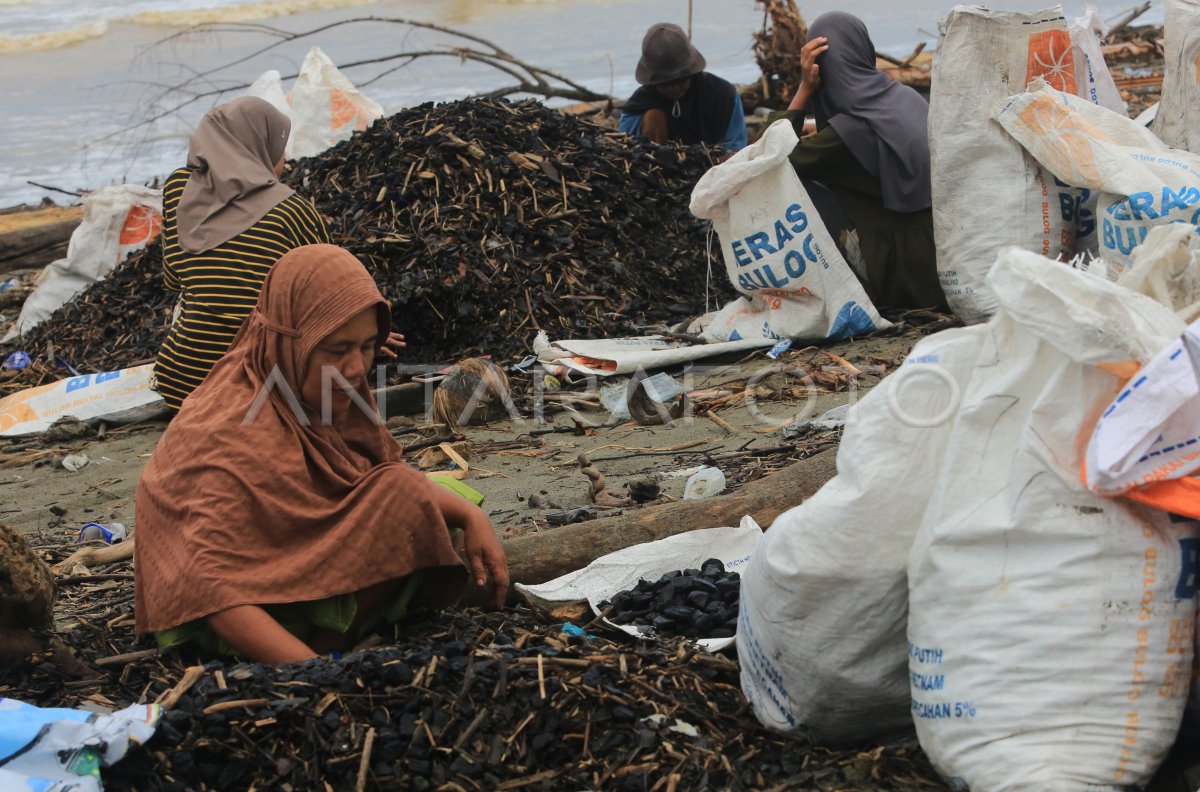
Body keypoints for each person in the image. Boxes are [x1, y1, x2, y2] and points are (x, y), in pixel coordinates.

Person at [134, 244, 509, 664]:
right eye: (335, 349)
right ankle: (323, 647)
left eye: (367, 347)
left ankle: (332, 638)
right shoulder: (229, 430)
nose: (355, 368)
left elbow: (381, 474)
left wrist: (471, 517)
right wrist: (310, 672)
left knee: (426, 497)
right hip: (229, 622)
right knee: (411, 504)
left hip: (289, 570)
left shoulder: (320, 388)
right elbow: (212, 591)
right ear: (288, 339)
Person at [154, 96, 333, 413]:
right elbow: (329, 299)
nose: (284, 160)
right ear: (255, 146)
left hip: (181, 379)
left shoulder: (176, 189)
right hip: (261, 385)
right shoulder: (292, 210)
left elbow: (172, 278)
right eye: (277, 148)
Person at [772, 12, 947, 311]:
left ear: (820, 70)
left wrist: (804, 90)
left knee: (803, 186)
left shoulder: (847, 136)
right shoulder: (906, 98)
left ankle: (849, 292)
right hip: (942, 259)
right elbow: (867, 135)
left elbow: (771, 157)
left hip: (904, 280)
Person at [619, 23, 748, 152]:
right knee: (653, 117)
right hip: (657, 167)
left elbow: (736, 145)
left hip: (715, 166)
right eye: (665, 84)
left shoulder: (723, 95)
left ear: (692, 72)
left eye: (681, 81)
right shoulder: (638, 106)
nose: (674, 88)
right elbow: (623, 145)